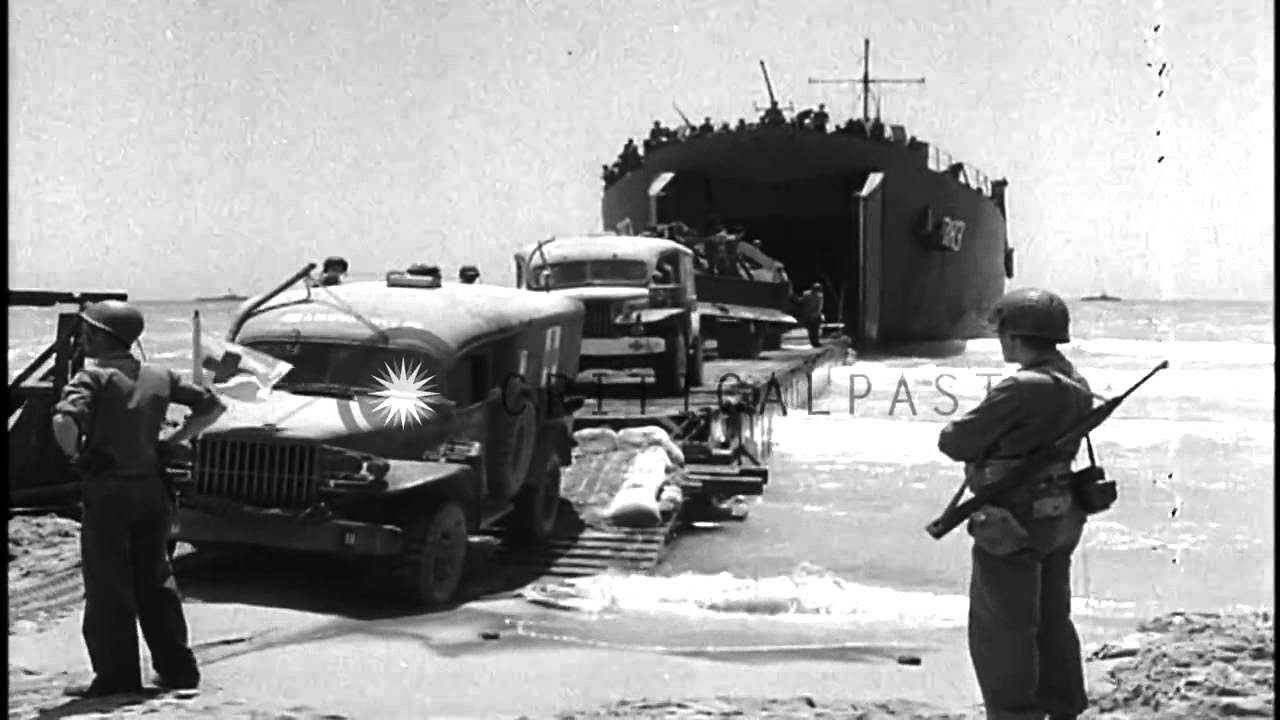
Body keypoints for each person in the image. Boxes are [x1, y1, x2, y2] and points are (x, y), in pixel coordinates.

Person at [51, 300, 227, 698]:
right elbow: (212, 405)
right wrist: (173, 441)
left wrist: (76, 455)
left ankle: (117, 677)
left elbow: (63, 420)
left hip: (108, 491)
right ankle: (178, 670)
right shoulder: (160, 375)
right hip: (152, 490)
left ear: (99, 335)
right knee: (156, 579)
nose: (82, 338)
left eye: (87, 331)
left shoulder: (92, 377)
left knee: (108, 586)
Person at [936, 288, 1093, 720]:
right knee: (1052, 619)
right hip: (1063, 513)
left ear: (1014, 336)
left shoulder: (1021, 387)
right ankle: (1063, 707)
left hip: (1014, 517)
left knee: (1002, 627)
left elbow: (955, 440)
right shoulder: (1075, 382)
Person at [798, 282, 824, 347]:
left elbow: (819, 306)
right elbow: (803, 304)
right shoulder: (807, 294)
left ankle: (815, 342)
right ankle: (814, 342)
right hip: (809, 315)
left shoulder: (818, 296)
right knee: (812, 330)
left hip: (813, 315)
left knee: (814, 330)